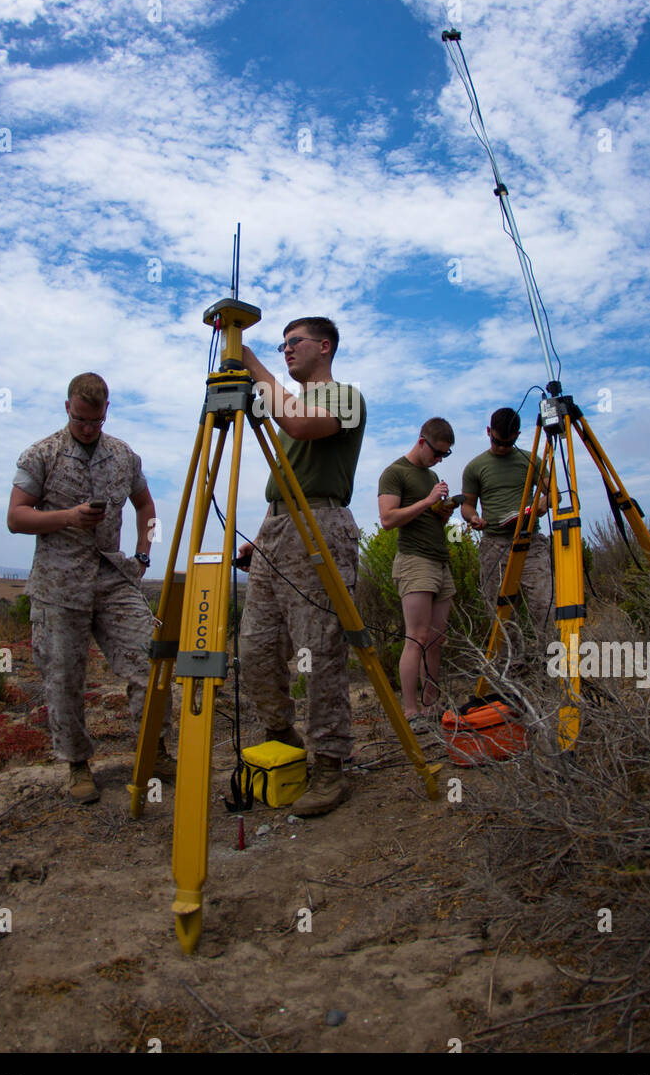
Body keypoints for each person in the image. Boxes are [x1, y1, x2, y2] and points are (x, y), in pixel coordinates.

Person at [6, 372, 172, 804]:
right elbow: (16, 518)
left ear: (106, 413)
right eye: (81, 419)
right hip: (58, 584)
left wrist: (143, 553)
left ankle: (154, 751)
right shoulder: (40, 455)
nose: (88, 428)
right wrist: (68, 517)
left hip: (113, 578)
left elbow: (146, 505)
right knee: (63, 678)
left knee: (150, 658)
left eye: (95, 421)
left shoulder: (123, 456)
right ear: (67, 408)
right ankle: (77, 764)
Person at [236, 317, 366, 818]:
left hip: (322, 526)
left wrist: (250, 361)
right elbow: (287, 474)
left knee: (319, 650)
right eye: (281, 345)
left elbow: (298, 423)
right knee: (256, 646)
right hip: (277, 529)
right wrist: (265, 534)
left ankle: (330, 762)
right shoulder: (285, 403)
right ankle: (281, 738)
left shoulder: (345, 398)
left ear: (325, 346)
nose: (286, 351)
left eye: (295, 342)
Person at [377, 418, 458, 727]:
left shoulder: (432, 474)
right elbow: (387, 519)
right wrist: (427, 501)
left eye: (446, 455)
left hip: (440, 560)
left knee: (436, 638)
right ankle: (410, 712)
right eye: (438, 452)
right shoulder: (394, 473)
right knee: (417, 637)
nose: (440, 460)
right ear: (422, 441)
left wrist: (442, 512)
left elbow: (428, 519)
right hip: (414, 561)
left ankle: (431, 705)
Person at [460, 407, 552, 667]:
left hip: (530, 542)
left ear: (517, 435)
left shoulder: (530, 459)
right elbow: (467, 505)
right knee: (501, 611)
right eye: (497, 442)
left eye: (508, 443)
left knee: (544, 606)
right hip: (494, 544)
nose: (501, 448)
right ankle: (513, 668)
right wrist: (472, 517)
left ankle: (553, 664)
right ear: (488, 432)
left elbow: (552, 491)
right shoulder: (475, 467)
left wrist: (543, 503)